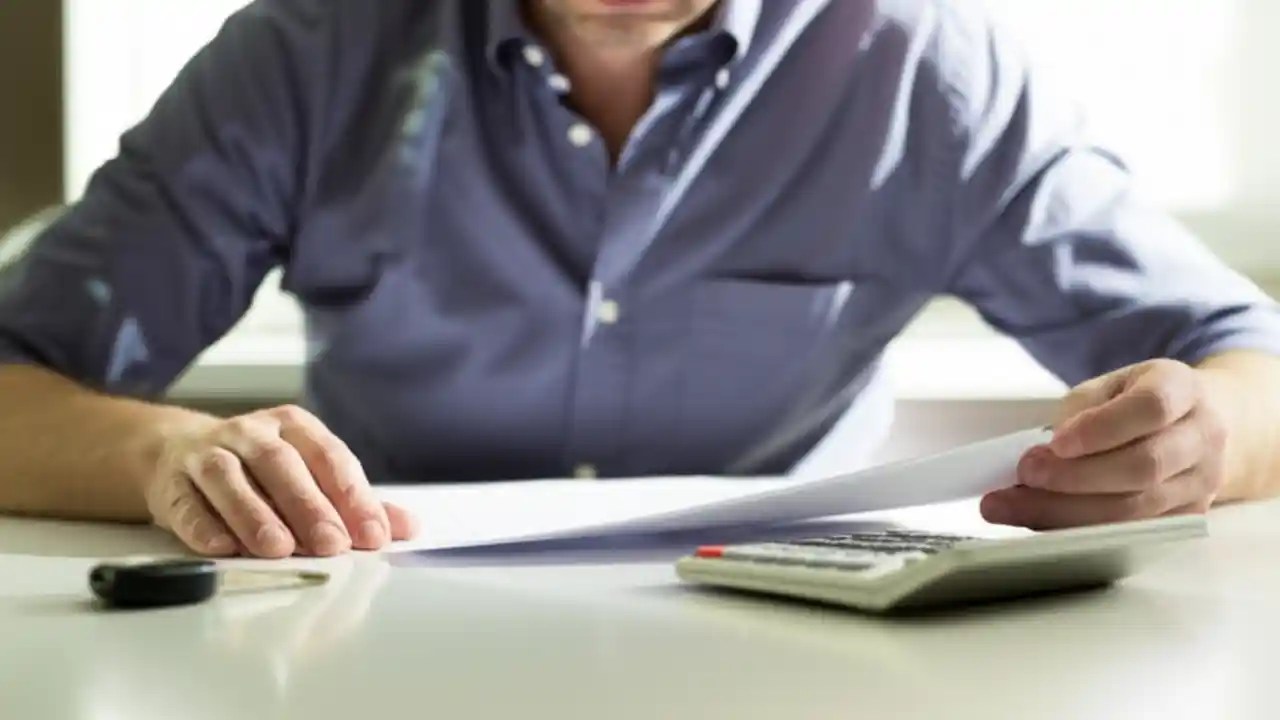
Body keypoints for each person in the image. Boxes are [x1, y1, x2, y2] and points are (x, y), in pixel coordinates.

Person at [2, 0, 1279, 559]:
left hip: (801, 658)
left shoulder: (921, 68)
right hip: (375, 643)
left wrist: (1198, 440)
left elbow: (1246, 359)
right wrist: (167, 454)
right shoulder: (306, 53)